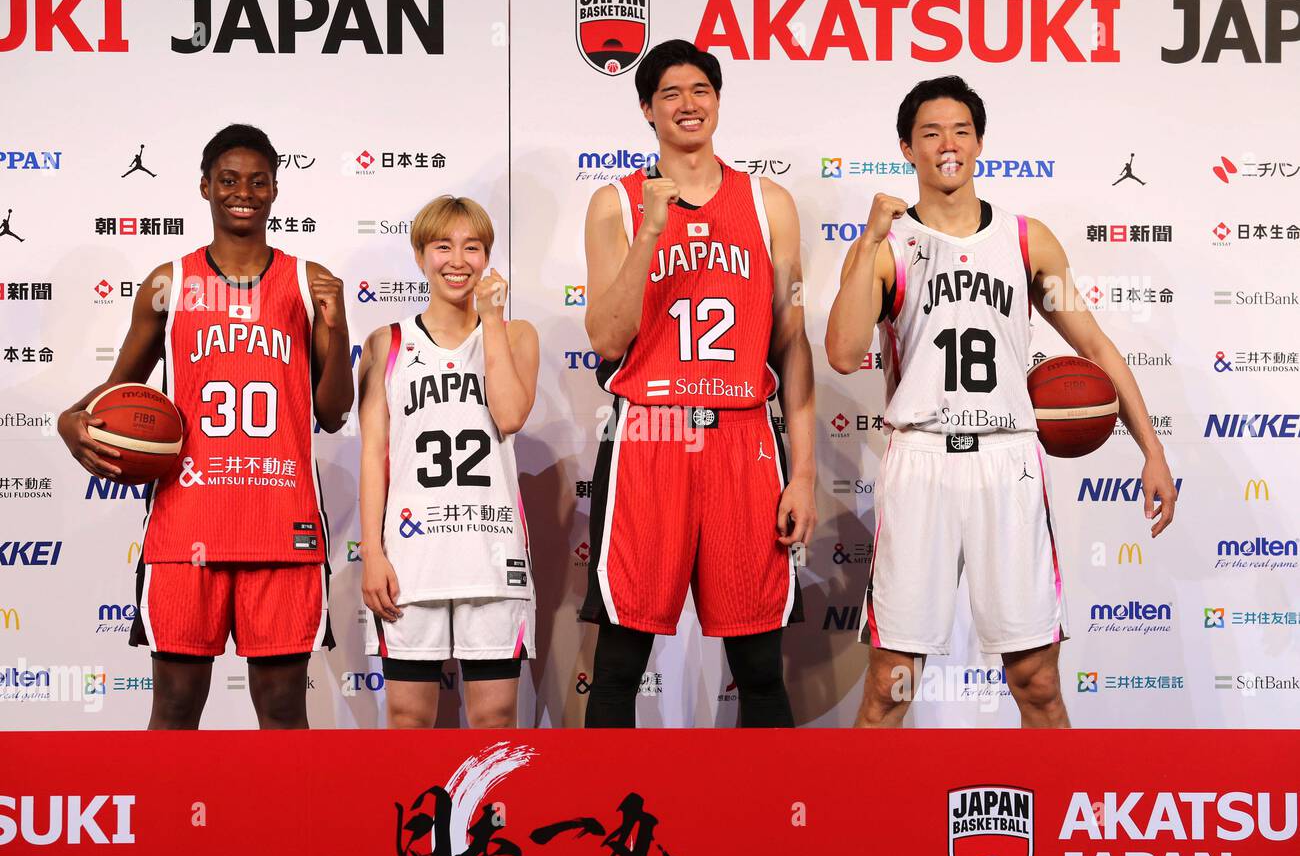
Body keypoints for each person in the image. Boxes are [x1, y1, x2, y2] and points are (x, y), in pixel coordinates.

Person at [825, 76, 1178, 729]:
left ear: (980, 141)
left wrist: (1151, 449)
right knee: (890, 685)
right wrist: (868, 240)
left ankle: (1058, 823)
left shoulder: (1026, 240)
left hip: (1007, 464)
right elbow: (844, 352)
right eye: (930, 133)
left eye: (960, 130)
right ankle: (861, 828)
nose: (947, 144)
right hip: (922, 463)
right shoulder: (889, 245)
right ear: (907, 148)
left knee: (1037, 681)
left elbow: (1095, 345)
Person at [58, 124, 353, 729]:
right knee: (173, 705)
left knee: (280, 709)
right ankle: (169, 828)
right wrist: (70, 420)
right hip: (187, 525)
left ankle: (285, 828)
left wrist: (337, 325)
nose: (242, 192)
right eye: (228, 180)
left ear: (275, 191)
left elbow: (331, 411)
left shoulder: (305, 281)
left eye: (258, 181)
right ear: (204, 188)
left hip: (281, 524)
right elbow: (120, 385)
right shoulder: (169, 283)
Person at [579, 39, 816, 728]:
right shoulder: (615, 205)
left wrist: (801, 474)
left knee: (760, 665)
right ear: (647, 109)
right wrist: (654, 228)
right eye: (671, 94)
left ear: (717, 101)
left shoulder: (768, 201)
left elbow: (791, 343)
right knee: (621, 659)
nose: (689, 104)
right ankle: (609, 828)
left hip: (744, 435)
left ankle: (769, 828)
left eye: (701, 90)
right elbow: (605, 337)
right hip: (650, 430)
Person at [357, 196, 539, 729]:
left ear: (487, 258)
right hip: (412, 555)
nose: (457, 260)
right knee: (409, 716)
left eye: (472, 247)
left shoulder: (515, 333)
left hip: (492, 548)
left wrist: (494, 319)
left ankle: (486, 816)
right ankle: (417, 817)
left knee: (496, 715)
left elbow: (507, 416)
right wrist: (372, 551)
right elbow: (374, 454)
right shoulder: (385, 343)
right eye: (443, 246)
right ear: (419, 257)